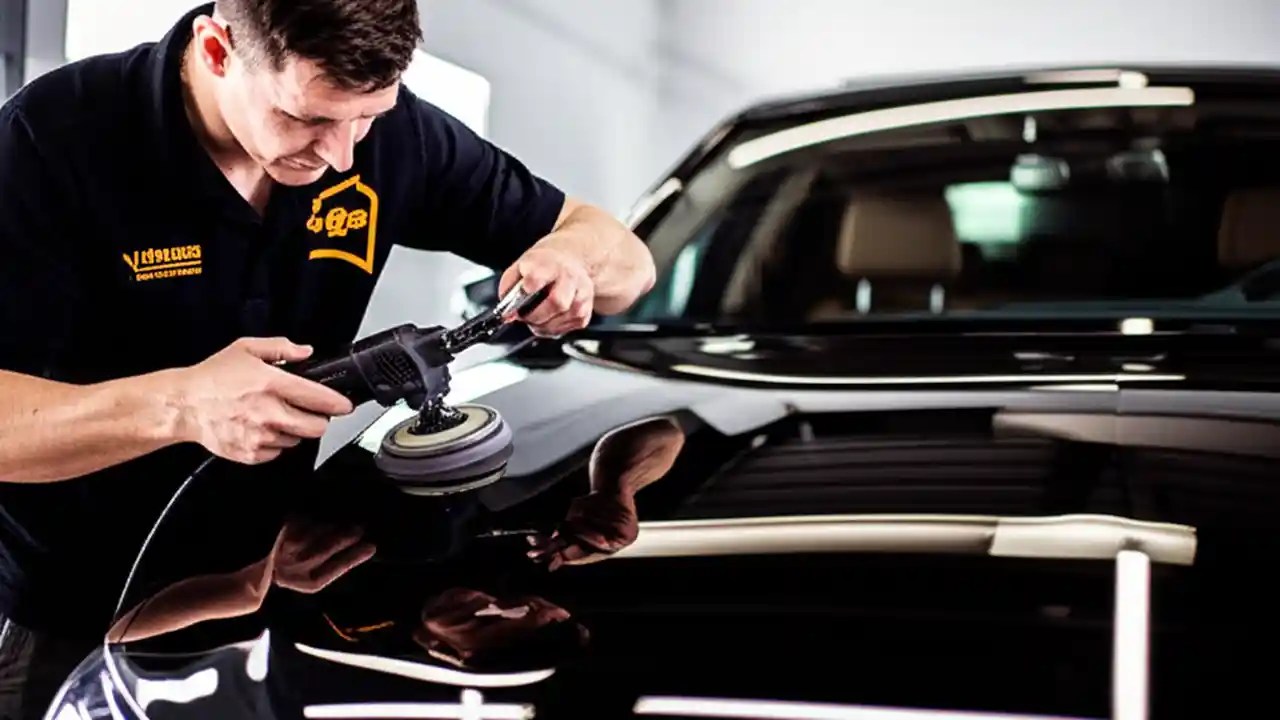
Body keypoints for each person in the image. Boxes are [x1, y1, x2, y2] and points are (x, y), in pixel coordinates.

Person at [0, 0, 654, 714]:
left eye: (368, 115)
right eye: (307, 118)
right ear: (218, 51)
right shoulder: (56, 138)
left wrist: (568, 257)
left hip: (271, 599)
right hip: (66, 621)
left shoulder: (391, 136)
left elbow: (626, 261)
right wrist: (181, 405)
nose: (343, 154)